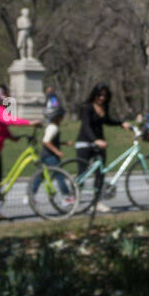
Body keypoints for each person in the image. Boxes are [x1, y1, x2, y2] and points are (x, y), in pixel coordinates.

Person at [0, 85, 38, 221]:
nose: (8, 98)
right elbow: (8, 119)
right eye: (6, 95)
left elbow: (2, 128)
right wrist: (29, 122)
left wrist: (13, 138)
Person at [75, 83, 131, 212]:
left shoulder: (104, 108)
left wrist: (121, 123)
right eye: (99, 95)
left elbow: (107, 121)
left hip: (100, 144)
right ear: (94, 94)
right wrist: (95, 140)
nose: (102, 98)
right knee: (82, 173)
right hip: (85, 143)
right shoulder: (87, 108)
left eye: (104, 95)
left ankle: (97, 202)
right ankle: (75, 199)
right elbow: (86, 126)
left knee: (100, 173)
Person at [26, 105, 70, 207]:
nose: (62, 119)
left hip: (45, 155)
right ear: (57, 117)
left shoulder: (51, 127)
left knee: (40, 175)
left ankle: (31, 194)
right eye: (61, 116)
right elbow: (46, 142)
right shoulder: (53, 128)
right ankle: (67, 197)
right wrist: (57, 152)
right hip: (51, 156)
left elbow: (52, 141)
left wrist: (63, 143)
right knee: (60, 176)